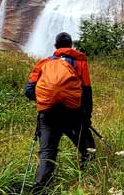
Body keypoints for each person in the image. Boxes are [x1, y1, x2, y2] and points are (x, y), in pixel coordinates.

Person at [24, 32, 95, 192]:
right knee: (88, 148)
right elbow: (86, 91)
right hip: (73, 113)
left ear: (55, 47)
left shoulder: (43, 63)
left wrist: (46, 98)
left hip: (48, 113)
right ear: (71, 46)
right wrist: (86, 117)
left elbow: (28, 91)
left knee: (47, 154)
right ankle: (87, 183)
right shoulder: (79, 62)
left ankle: (39, 189)